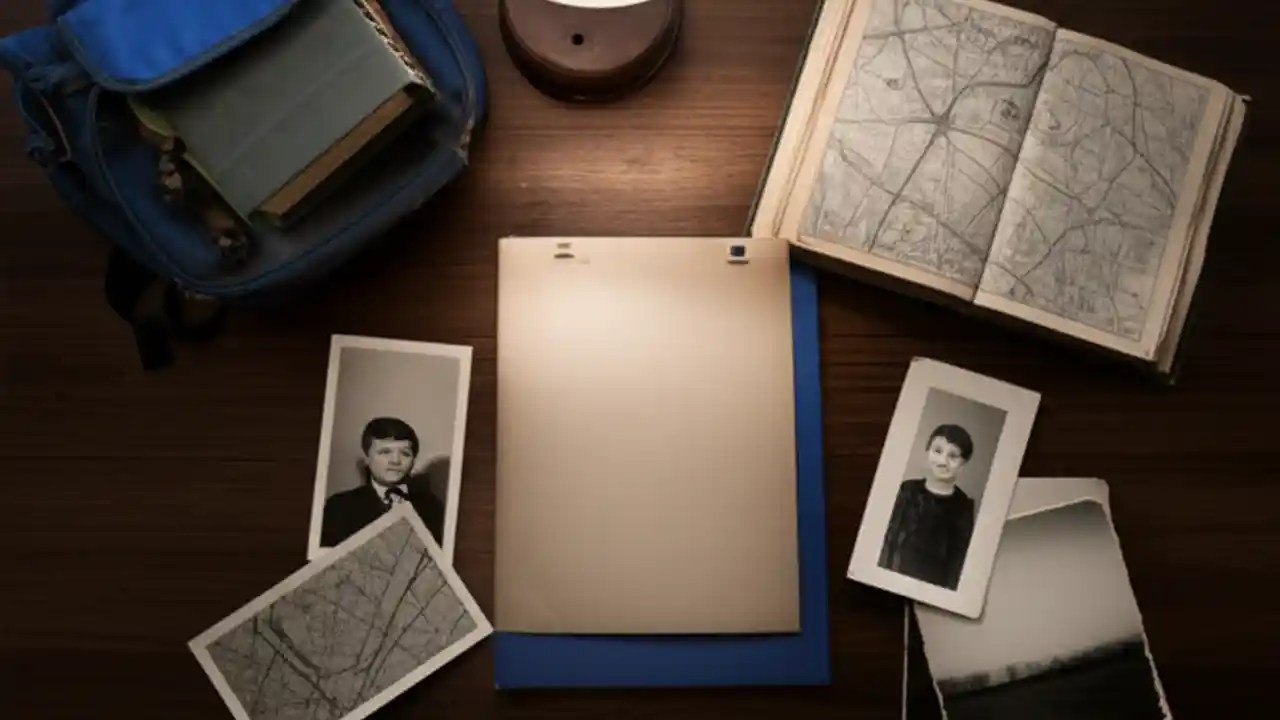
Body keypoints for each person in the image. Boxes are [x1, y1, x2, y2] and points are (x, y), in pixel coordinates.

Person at [321, 417, 447, 549]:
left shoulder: (432, 507)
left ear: (413, 461)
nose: (396, 461)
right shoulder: (339, 507)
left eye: (405, 454)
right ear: (366, 459)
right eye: (385, 452)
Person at [878, 424, 977, 590]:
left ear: (963, 463)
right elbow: (888, 541)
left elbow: (957, 565)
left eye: (953, 456)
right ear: (927, 451)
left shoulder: (963, 508)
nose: (942, 461)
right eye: (937, 451)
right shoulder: (906, 491)